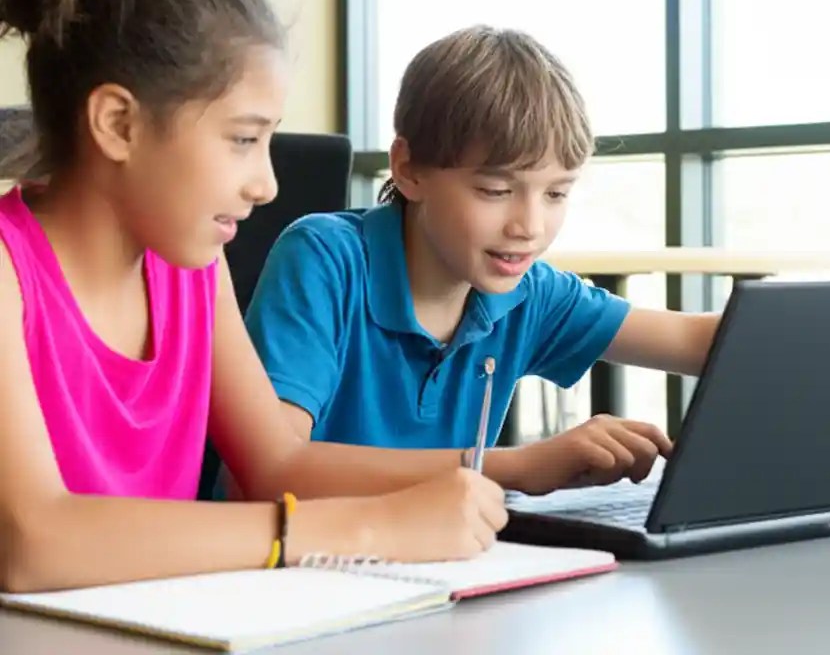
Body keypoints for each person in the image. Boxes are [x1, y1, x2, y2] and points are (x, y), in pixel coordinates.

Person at [0, 0, 508, 594]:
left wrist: (497, 474)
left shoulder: (192, 272)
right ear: (118, 123)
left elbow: (279, 462)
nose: (266, 183)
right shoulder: (9, 274)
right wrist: (366, 529)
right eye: (243, 139)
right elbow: (32, 542)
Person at [244, 25, 721, 497]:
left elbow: (689, 339)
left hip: (432, 558)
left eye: (556, 193)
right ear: (408, 170)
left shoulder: (527, 292)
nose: (529, 225)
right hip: (287, 563)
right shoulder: (324, 259)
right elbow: (275, 469)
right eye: (495, 191)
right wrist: (508, 467)